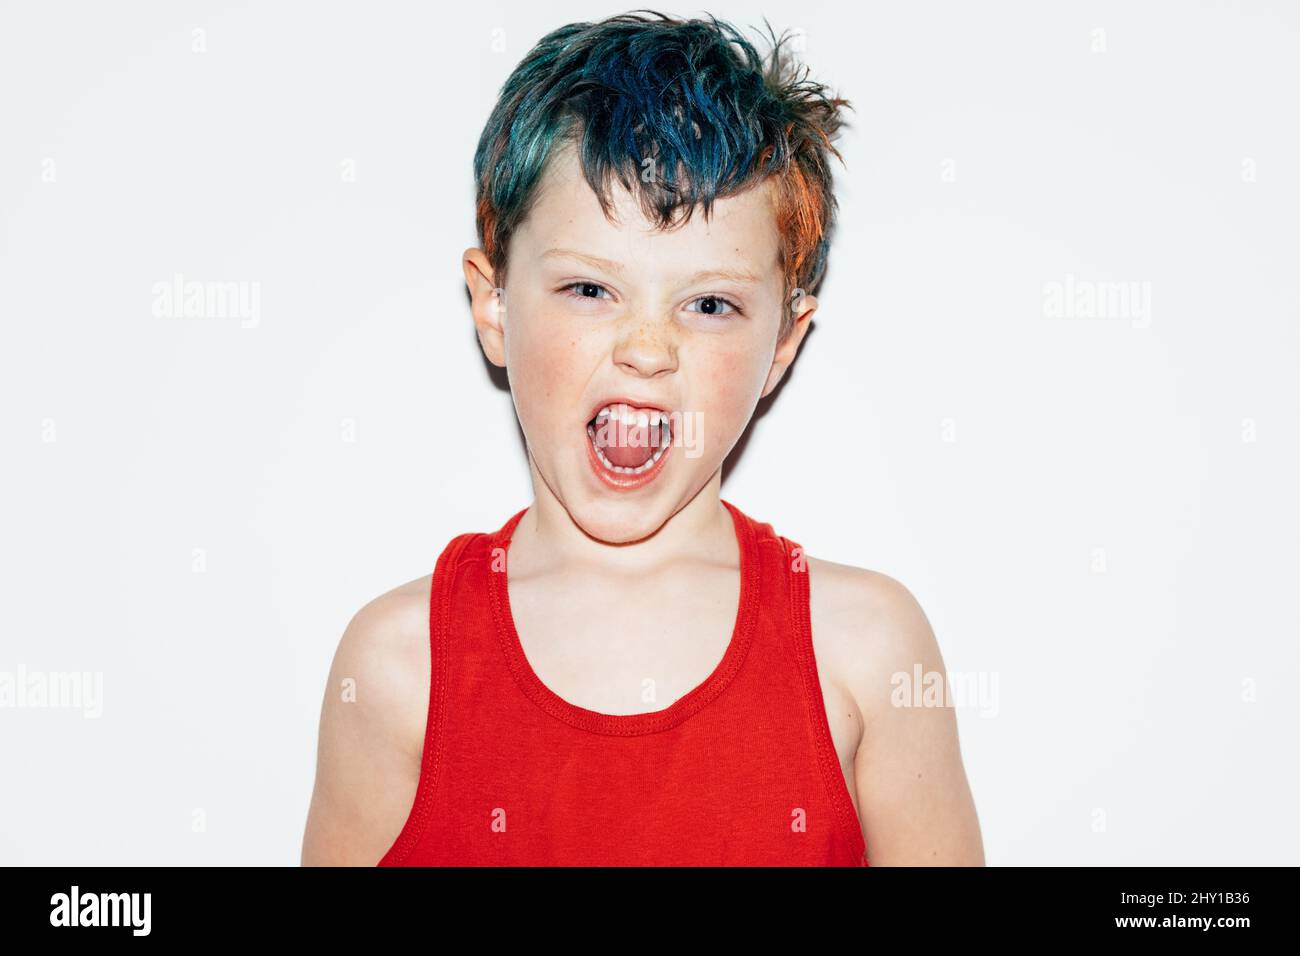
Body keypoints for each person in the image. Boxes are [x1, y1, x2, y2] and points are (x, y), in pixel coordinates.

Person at [301, 9, 983, 866]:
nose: (648, 349)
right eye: (590, 289)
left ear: (782, 344)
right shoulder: (399, 669)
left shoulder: (867, 651)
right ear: (493, 307)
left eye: (708, 305)